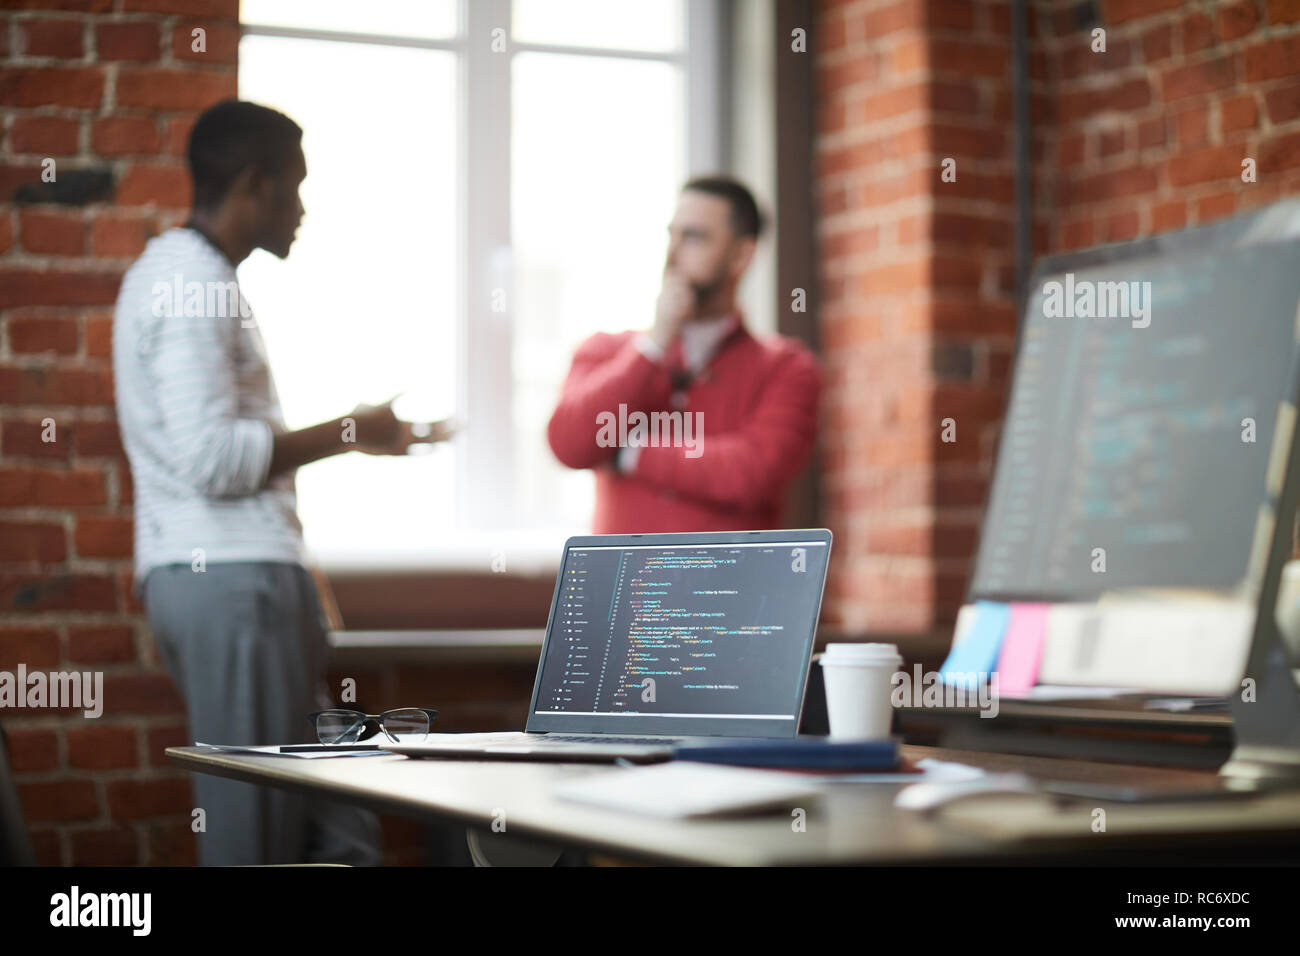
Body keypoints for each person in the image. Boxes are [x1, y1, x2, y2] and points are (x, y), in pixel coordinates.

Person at [112, 100, 450, 866]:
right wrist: (351, 432)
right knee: (253, 836)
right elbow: (211, 459)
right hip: (228, 581)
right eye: (295, 188)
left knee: (341, 830)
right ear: (256, 186)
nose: (301, 208)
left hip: (253, 584)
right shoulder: (186, 281)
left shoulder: (202, 279)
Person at [547, 176, 821, 532]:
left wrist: (631, 451)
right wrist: (652, 347)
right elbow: (569, 444)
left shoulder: (787, 368)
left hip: (728, 585)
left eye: (693, 237)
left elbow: (753, 473)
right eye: (670, 236)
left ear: (741, 255)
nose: (671, 255)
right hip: (626, 585)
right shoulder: (606, 351)